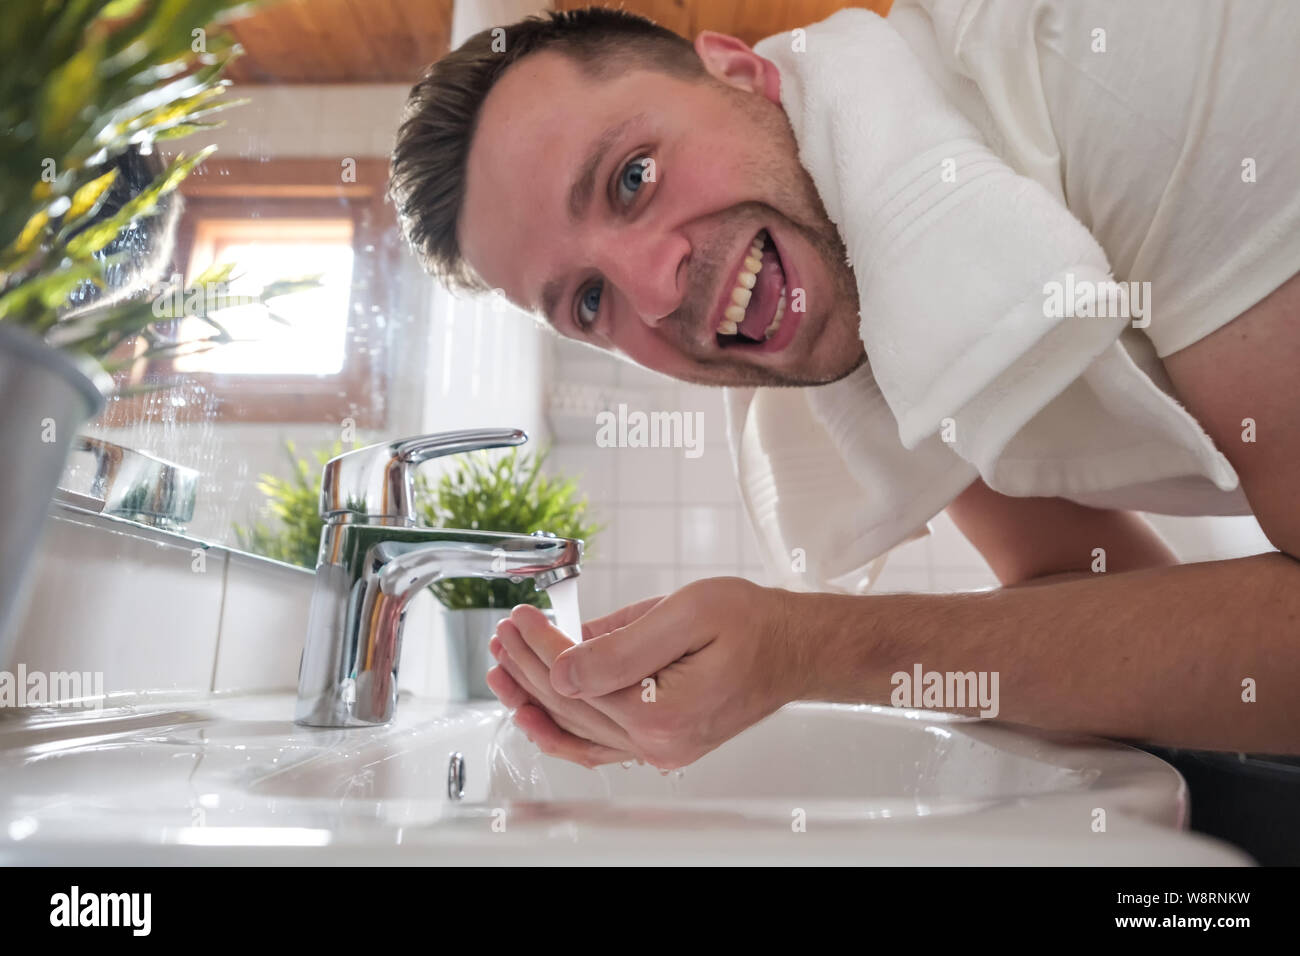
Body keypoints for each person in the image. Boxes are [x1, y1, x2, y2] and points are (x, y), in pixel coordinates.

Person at [386, 2, 1300, 779]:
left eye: (633, 177)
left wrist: (810, 649)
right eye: (590, 300)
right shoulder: (889, 303)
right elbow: (1097, 596)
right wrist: (752, 662)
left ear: (741, 71)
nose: (655, 290)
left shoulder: (1102, 53)